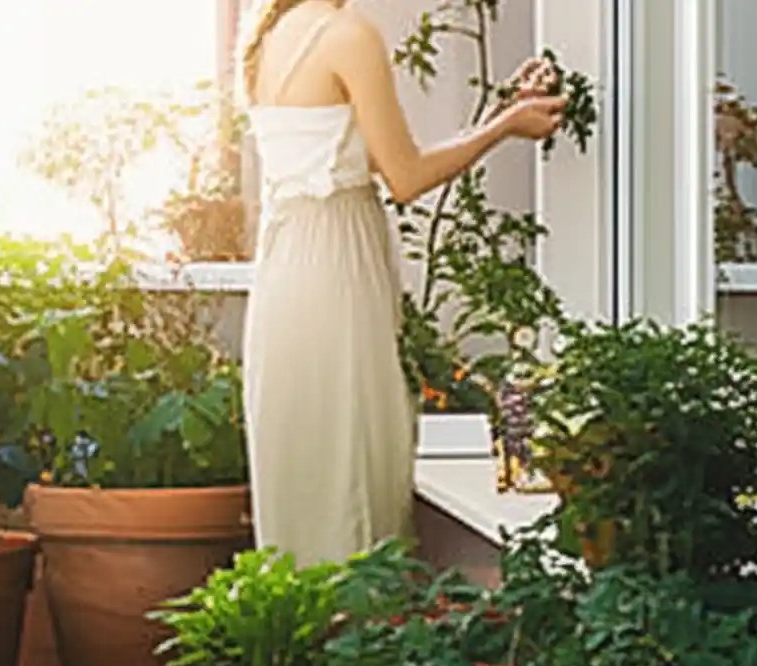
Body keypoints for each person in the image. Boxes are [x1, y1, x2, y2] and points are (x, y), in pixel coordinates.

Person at [240, 0, 566, 565]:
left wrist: (499, 114)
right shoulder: (349, 35)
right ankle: (361, 630)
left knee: (308, 453)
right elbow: (407, 175)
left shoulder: (274, 35)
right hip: (334, 267)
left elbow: (362, 156)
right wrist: (506, 127)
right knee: (354, 452)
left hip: (288, 267)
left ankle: (307, 635)